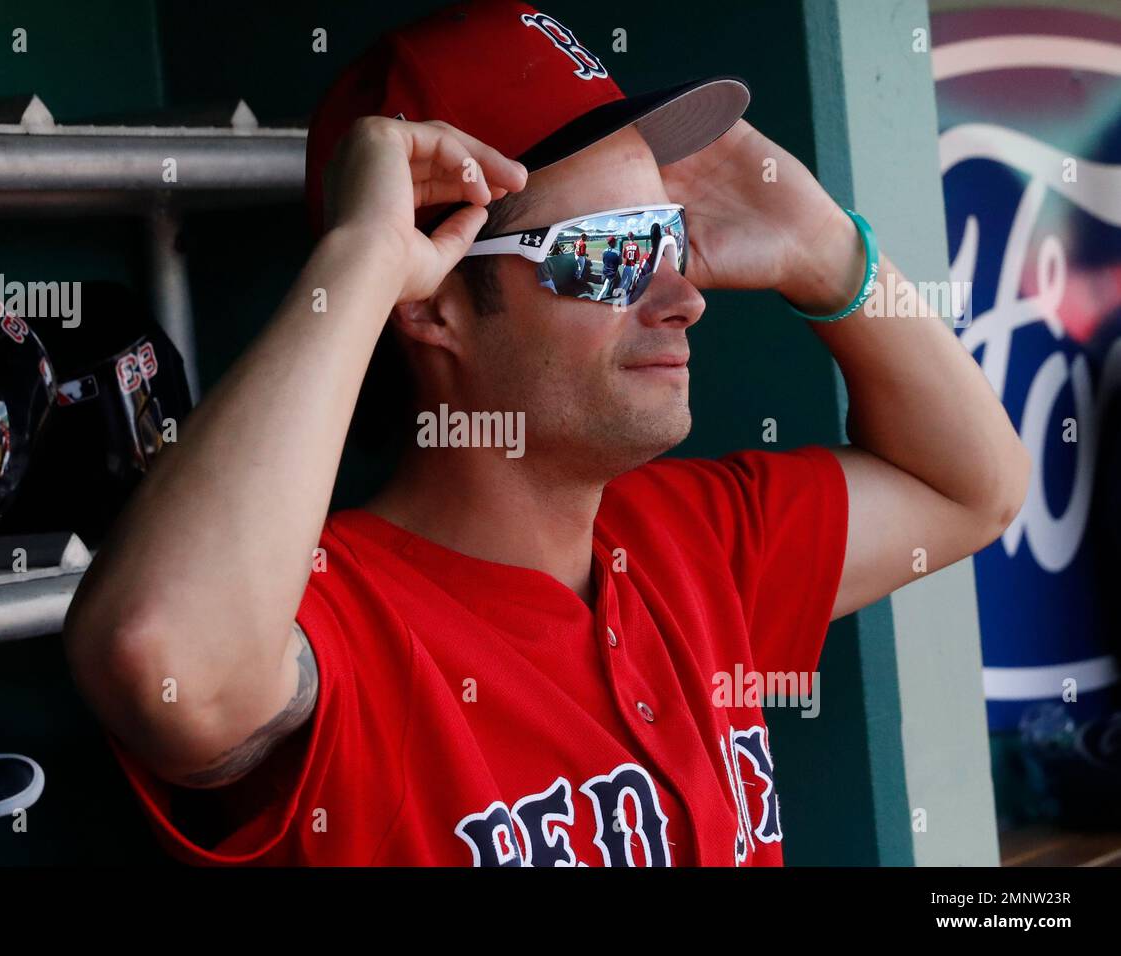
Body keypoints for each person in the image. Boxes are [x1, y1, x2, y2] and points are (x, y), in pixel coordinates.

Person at [65, 0, 1030, 867]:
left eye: (663, 241)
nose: (683, 297)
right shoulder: (338, 621)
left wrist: (829, 254)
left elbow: (971, 486)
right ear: (430, 304)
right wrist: (359, 259)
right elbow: (165, 663)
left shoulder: (689, 543)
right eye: (609, 254)